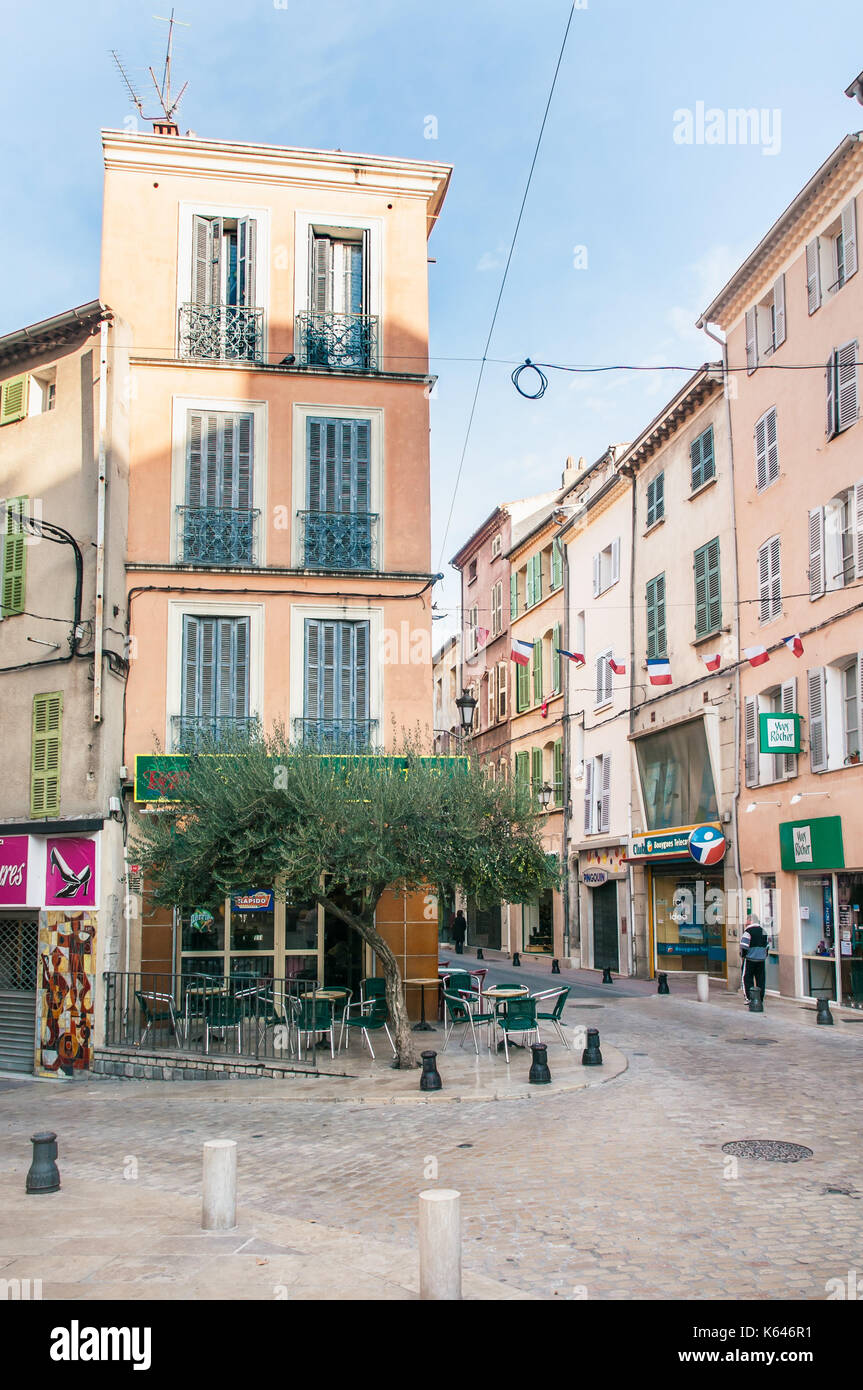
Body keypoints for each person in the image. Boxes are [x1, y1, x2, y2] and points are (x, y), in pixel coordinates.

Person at [740, 916, 770, 1003]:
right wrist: (763, 955)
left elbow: (744, 946)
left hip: (750, 959)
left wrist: (743, 956)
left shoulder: (748, 932)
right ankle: (760, 998)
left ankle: (749, 998)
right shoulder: (763, 931)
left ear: (751, 921)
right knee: (760, 979)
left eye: (747, 920)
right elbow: (767, 946)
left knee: (746, 978)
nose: (746, 922)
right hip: (761, 960)